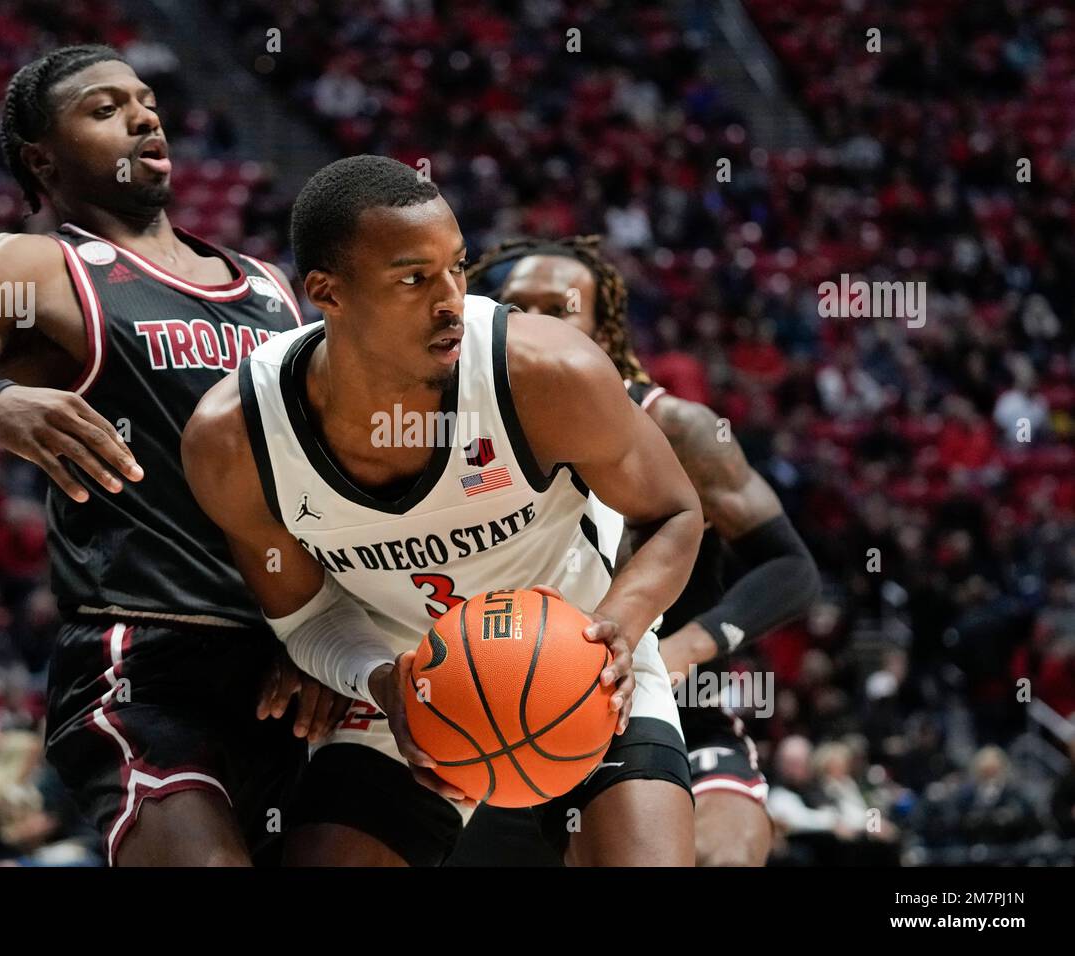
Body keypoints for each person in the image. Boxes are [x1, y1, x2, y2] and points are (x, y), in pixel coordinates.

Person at [0, 45, 342, 866]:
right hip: (143, 663)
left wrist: (328, 635)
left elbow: (323, 492)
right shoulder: (30, 266)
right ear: (42, 156)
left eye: (146, 100)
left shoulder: (269, 289)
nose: (144, 116)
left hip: (287, 673)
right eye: (104, 108)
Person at [182, 155, 705, 866]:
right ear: (326, 292)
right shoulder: (235, 438)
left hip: (580, 660)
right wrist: (381, 683)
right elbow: (305, 615)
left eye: (457, 268)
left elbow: (675, 513)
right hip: (405, 676)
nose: (451, 299)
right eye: (413, 278)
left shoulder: (548, 373)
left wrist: (618, 624)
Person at [450, 236, 820, 866]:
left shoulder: (676, 426)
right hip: (518, 703)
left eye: (559, 308)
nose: (534, 321)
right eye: (516, 306)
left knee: (724, 858)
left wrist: (685, 648)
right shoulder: (461, 431)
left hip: (676, 703)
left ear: (604, 330)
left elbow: (791, 570)